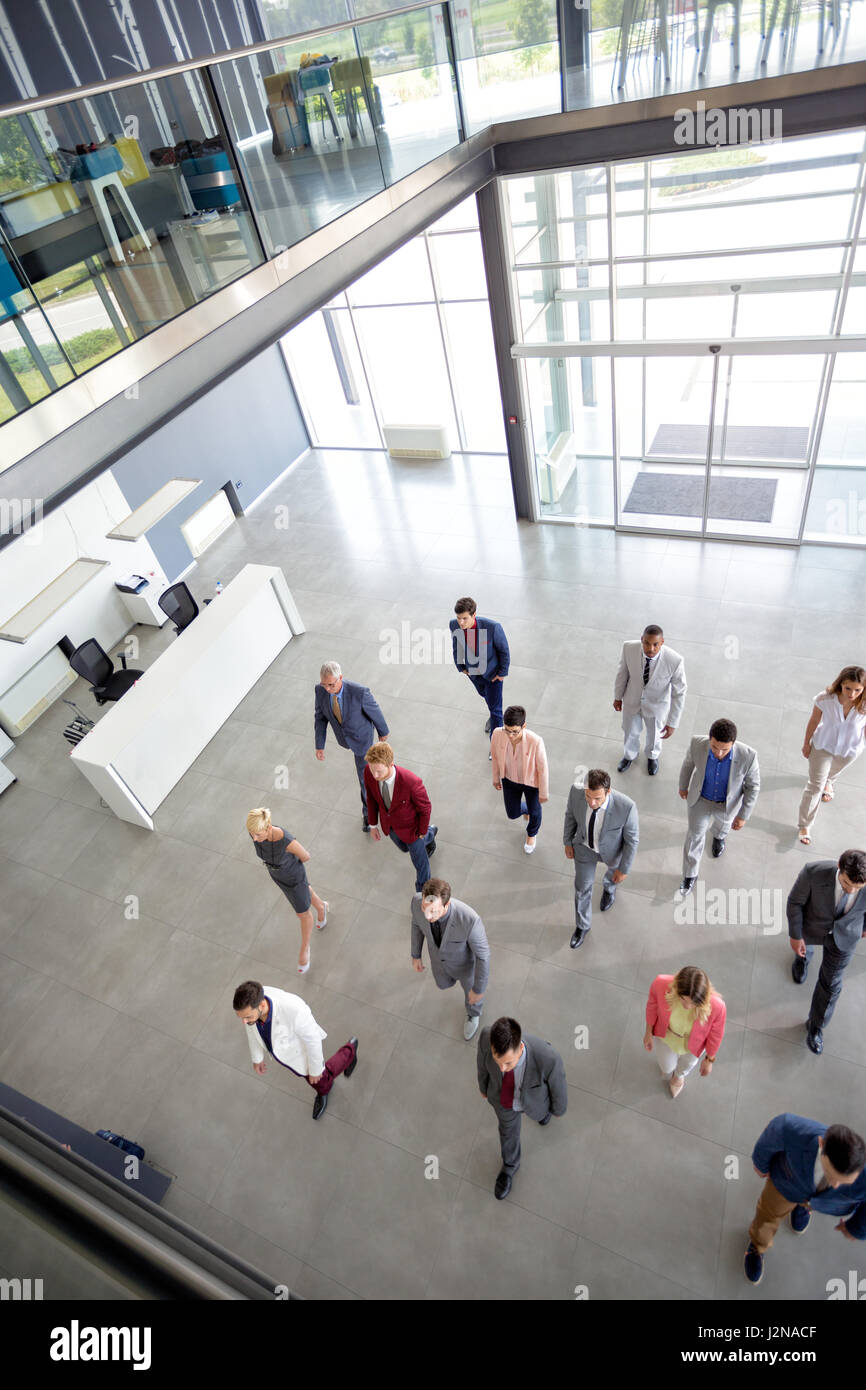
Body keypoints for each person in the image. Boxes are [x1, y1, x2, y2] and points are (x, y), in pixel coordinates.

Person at [744, 1116, 866, 1285]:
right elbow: (774, 1132)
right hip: (786, 1185)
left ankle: (804, 1207)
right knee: (767, 1215)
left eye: (844, 1182)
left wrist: (856, 1229)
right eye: (830, 1175)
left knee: (812, 1200)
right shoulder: (793, 1130)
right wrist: (761, 1164)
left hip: (824, 1203)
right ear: (821, 1144)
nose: (835, 1185)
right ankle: (757, 1246)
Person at [234, 980, 357, 1120]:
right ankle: (325, 1081)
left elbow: (313, 1039)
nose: (244, 1022)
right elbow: (251, 1030)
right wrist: (257, 1058)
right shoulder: (252, 1006)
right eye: (241, 1017)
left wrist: (316, 1069)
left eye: (247, 1017)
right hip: (287, 1053)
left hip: (302, 1055)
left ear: (262, 1005)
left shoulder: (294, 1009)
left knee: (320, 1079)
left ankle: (349, 1051)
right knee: (315, 1078)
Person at [476, 1016, 567, 1200]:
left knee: (541, 1112)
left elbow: (558, 1086)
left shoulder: (548, 1058)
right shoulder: (487, 1036)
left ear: (521, 1050)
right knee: (507, 1133)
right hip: (504, 1101)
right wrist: (483, 1086)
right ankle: (510, 1166)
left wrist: (557, 1110)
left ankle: (542, 1115)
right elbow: (481, 1062)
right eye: (497, 1060)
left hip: (534, 1100)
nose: (502, 1069)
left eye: (508, 1063)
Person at [787, 848, 866, 1054]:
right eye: (847, 884)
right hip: (812, 925)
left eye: (857, 888)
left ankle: (815, 1025)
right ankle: (802, 959)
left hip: (846, 937)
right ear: (839, 868)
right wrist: (796, 936)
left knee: (831, 983)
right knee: (805, 948)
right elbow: (795, 902)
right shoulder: (813, 872)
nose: (850, 891)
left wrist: (864, 929)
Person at [678, 718, 760, 897]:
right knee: (694, 836)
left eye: (725, 749)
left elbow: (753, 786)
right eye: (714, 747)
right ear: (709, 739)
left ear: (733, 744)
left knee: (723, 826)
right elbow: (688, 765)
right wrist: (683, 786)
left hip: (726, 805)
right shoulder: (697, 744)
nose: (719, 753)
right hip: (701, 799)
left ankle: (719, 837)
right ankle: (690, 875)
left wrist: (743, 815)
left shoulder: (748, 756)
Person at [563, 768, 639, 948]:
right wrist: (567, 841)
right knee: (582, 888)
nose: (592, 802)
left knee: (613, 876)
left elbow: (632, 841)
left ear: (608, 792)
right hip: (584, 849)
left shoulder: (626, 807)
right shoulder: (576, 791)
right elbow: (570, 816)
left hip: (613, 852)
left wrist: (623, 869)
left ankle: (609, 889)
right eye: (588, 797)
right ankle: (582, 926)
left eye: (597, 798)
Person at [247, 808, 327, 975]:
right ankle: (321, 907)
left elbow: (305, 856)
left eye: (258, 835)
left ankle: (305, 950)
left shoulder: (287, 842)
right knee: (304, 895)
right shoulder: (257, 833)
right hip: (279, 877)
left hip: (295, 878)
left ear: (268, 828)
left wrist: (290, 866)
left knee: (302, 913)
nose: (254, 839)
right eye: (252, 834)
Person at [410, 878, 490, 1040]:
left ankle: (473, 1014)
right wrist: (416, 954)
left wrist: (479, 989)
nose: (427, 915)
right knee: (443, 983)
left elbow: (483, 957)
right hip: (439, 963)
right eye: (425, 908)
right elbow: (416, 924)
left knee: (471, 995)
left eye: (433, 911)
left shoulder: (470, 921)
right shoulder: (417, 901)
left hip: (466, 967)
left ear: (446, 906)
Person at [315, 660, 390, 832]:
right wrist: (320, 744)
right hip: (345, 738)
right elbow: (320, 717)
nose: (327, 689)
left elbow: (375, 711)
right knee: (367, 778)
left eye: (331, 685)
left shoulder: (359, 692)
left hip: (362, 739)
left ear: (340, 678)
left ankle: (368, 814)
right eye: (324, 684)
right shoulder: (320, 691)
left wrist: (382, 731)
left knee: (365, 779)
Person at [797, 666, 866, 844]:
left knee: (833, 772)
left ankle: (830, 781)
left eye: (858, 690)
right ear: (841, 684)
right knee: (814, 786)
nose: (852, 694)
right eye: (848, 688)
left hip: (850, 750)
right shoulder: (825, 698)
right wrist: (806, 743)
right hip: (823, 746)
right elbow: (814, 720)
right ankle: (805, 824)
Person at [614, 624, 687, 775]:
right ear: (642, 639)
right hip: (632, 699)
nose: (651, 648)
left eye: (655, 644)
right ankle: (629, 755)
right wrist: (618, 697)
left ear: (662, 642)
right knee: (630, 730)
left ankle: (652, 756)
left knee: (655, 735)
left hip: (657, 706)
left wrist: (672, 722)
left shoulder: (675, 660)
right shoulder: (628, 648)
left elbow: (679, 693)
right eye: (647, 643)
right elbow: (622, 673)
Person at [364, 741, 437, 891]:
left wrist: (422, 832)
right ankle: (432, 833)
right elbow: (371, 799)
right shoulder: (369, 772)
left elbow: (425, 808)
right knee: (404, 848)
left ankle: (421, 894)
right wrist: (373, 825)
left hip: (414, 829)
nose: (375, 775)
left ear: (391, 764)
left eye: (379, 771)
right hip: (390, 826)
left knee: (420, 863)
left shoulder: (411, 782)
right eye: (372, 770)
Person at [643, 966, 726, 1099]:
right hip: (667, 1037)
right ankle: (671, 1073)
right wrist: (648, 1032)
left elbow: (716, 1034)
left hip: (694, 1045)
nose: (687, 1006)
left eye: (694, 1003)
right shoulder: (661, 984)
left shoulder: (718, 1006)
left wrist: (709, 1059)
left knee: (686, 1066)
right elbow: (652, 1006)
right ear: (676, 989)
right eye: (683, 999)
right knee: (666, 1067)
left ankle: (678, 1078)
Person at [449, 597, 510, 752]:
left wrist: (502, 673)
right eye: (458, 618)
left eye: (464, 618)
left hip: (493, 674)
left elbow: (504, 651)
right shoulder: (454, 625)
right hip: (473, 673)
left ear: (474, 614)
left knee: (496, 710)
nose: (461, 623)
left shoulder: (492, 627)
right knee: (486, 696)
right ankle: (493, 712)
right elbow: (456, 645)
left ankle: (495, 747)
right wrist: (461, 666)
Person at [490, 704, 548, 854]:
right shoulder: (497, 733)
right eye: (507, 730)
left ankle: (531, 834)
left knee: (535, 812)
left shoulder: (535, 741)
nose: (510, 735)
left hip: (531, 783)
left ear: (524, 726)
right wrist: (496, 778)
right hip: (509, 780)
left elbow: (543, 769)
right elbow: (495, 757)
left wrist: (543, 792)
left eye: (514, 732)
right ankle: (528, 808)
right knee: (512, 813)